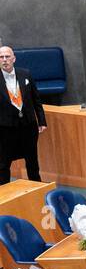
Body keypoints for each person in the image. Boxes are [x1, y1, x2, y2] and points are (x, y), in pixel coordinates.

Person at [0, 45, 46, 184]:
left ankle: (37, 188)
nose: (4, 60)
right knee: (3, 164)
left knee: (32, 161)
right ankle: (4, 194)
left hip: (28, 125)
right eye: (1, 57)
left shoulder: (25, 74)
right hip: (5, 128)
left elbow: (36, 99)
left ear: (14, 58)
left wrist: (42, 120)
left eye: (7, 56)